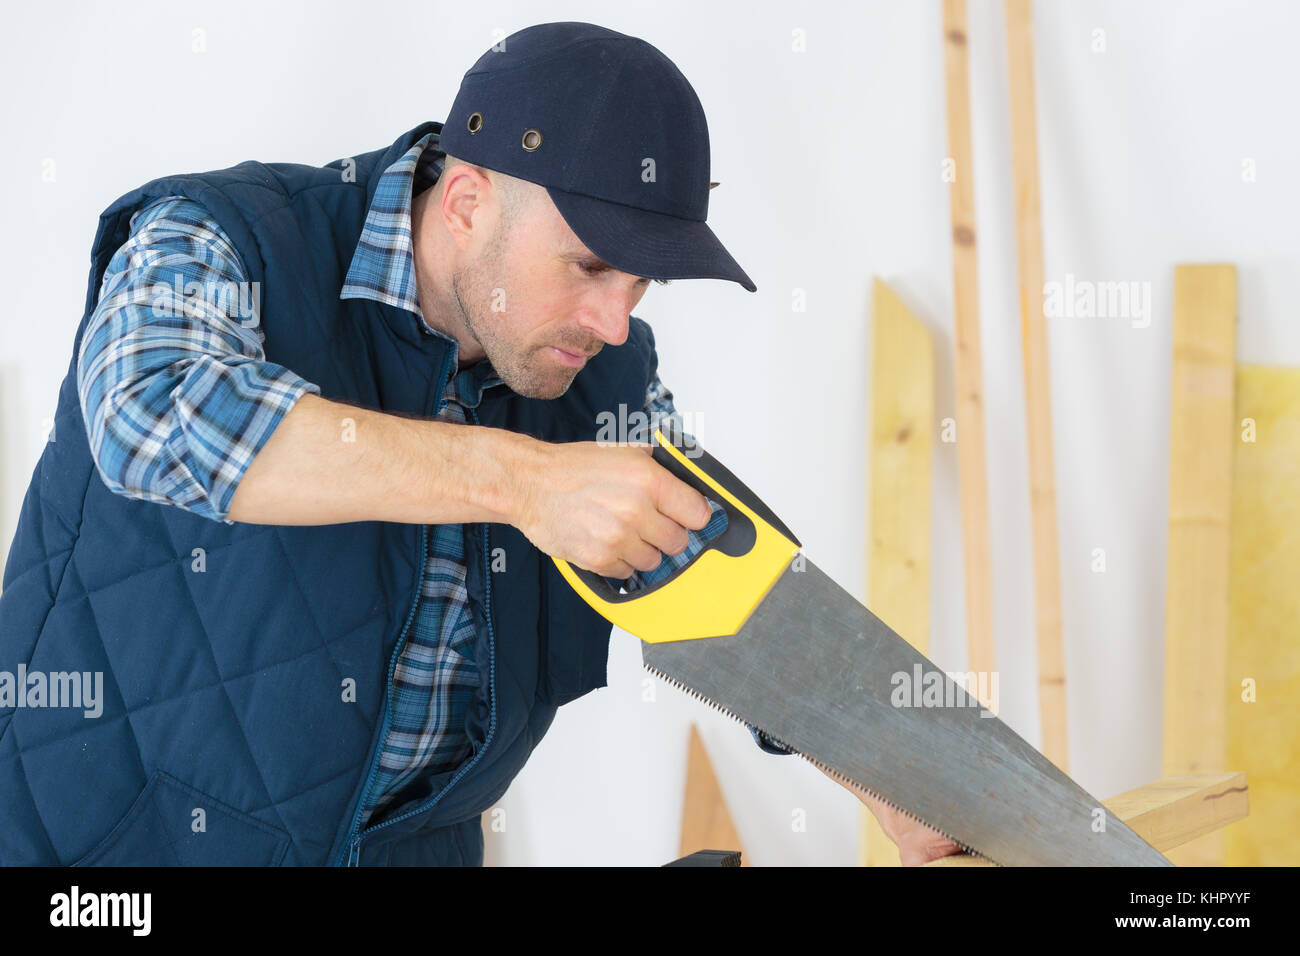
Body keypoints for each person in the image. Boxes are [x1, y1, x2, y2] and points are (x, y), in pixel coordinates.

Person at [0, 20, 956, 866]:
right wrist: (526, 482)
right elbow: (149, 413)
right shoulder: (221, 239)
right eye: (588, 267)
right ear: (465, 202)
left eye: (641, 287)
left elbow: (716, 580)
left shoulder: (601, 379)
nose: (615, 324)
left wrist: (906, 787)